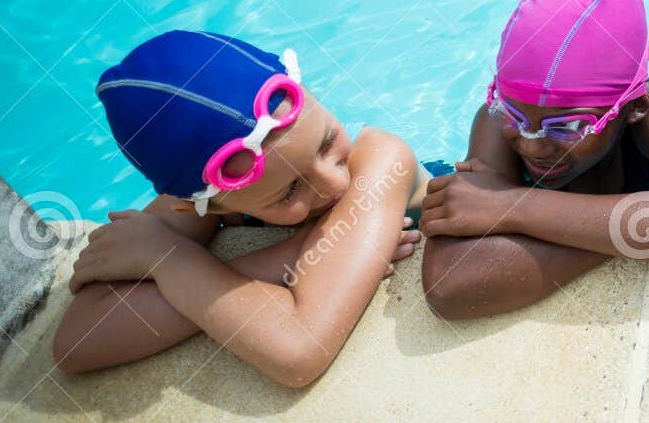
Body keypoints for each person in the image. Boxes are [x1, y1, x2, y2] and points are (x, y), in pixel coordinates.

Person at [55, 31, 422, 386]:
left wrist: (171, 266)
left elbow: (298, 350)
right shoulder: (207, 198)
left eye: (326, 142)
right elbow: (77, 341)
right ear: (201, 208)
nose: (335, 183)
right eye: (289, 191)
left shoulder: (380, 158)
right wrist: (281, 257)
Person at [420, 0, 649, 318]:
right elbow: (450, 285)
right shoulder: (494, 123)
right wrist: (640, 234)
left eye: (567, 126)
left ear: (633, 109)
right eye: (514, 114)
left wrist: (511, 206)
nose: (532, 143)